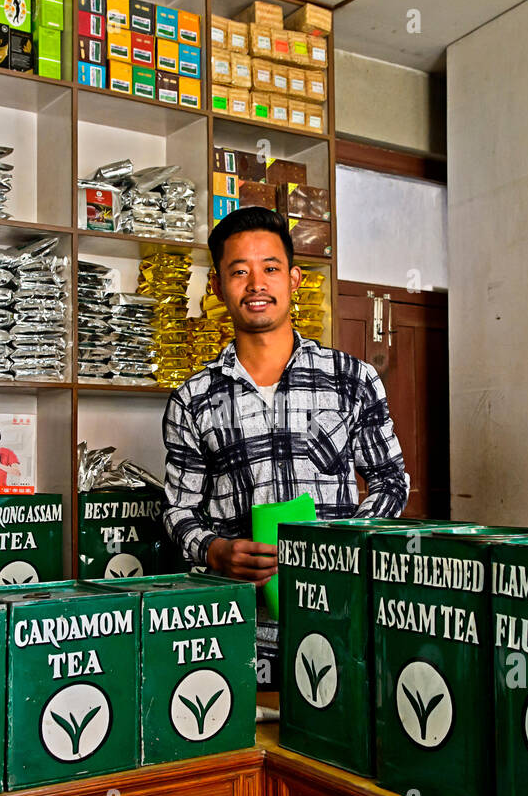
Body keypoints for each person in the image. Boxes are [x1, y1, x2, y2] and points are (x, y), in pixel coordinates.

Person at [162, 206, 409, 587]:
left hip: (335, 610)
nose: (256, 284)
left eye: (271, 269)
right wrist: (215, 551)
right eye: (239, 271)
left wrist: (346, 545)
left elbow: (390, 480)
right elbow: (180, 509)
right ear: (216, 285)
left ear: (294, 279)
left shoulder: (351, 379)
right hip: (241, 617)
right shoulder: (193, 400)